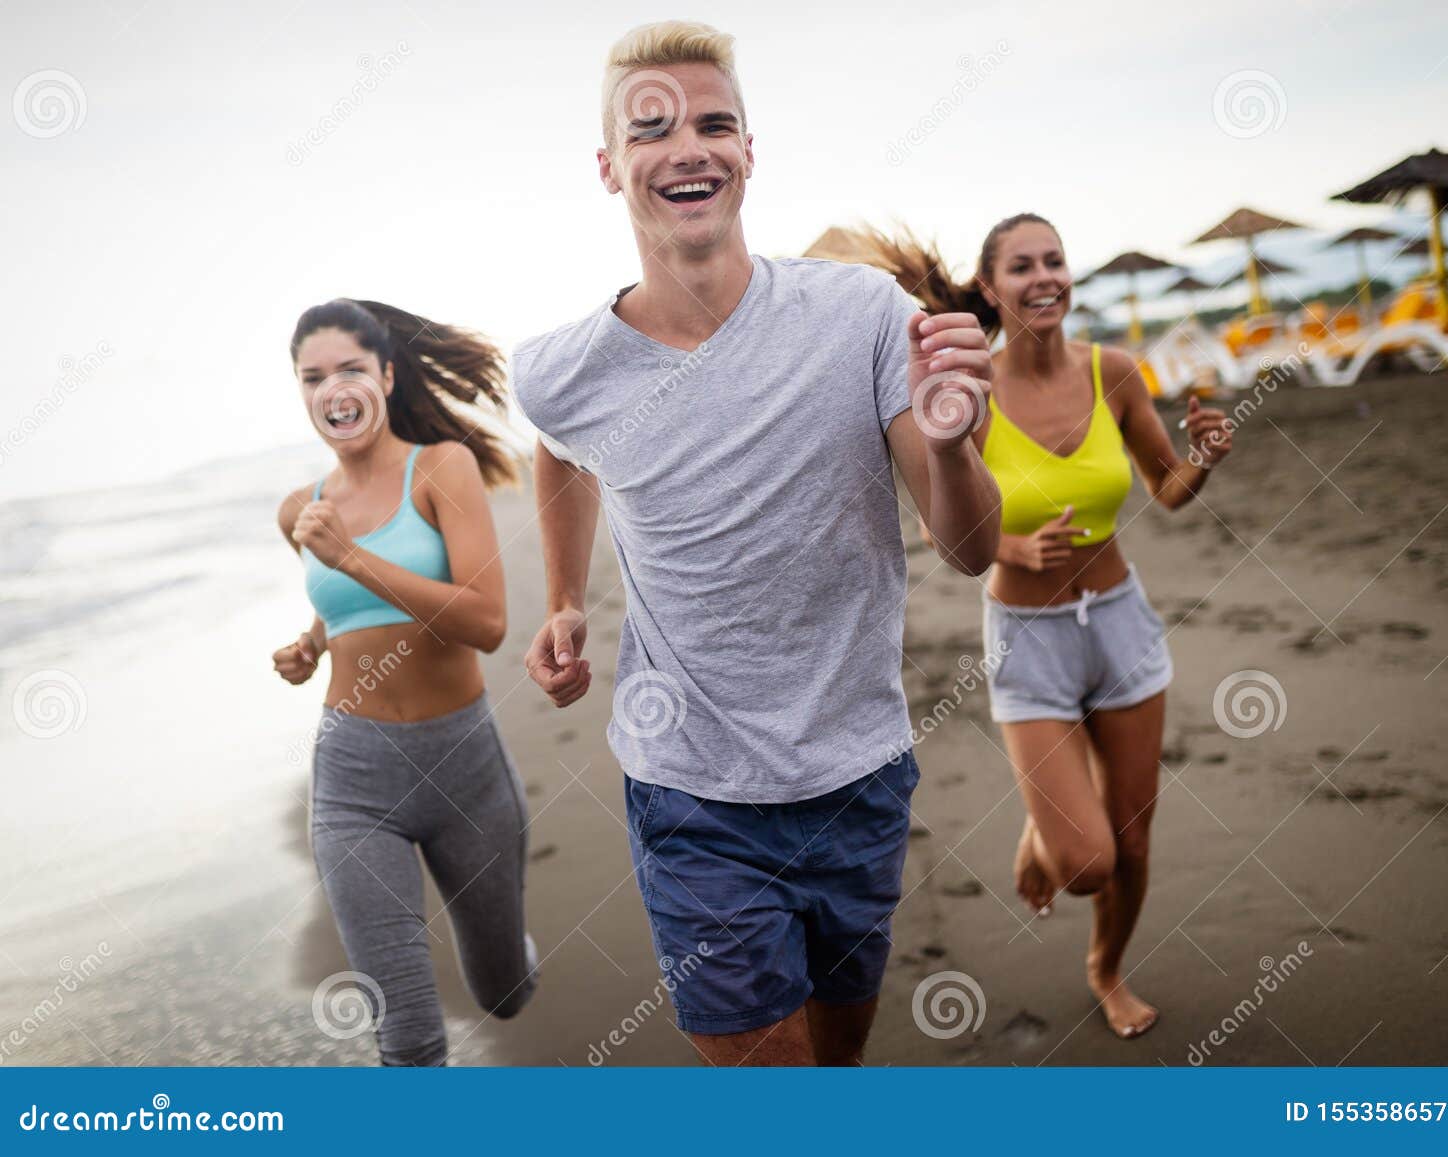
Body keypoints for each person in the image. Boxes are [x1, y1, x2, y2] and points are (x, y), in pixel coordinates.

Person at [512, 21, 1001, 1066]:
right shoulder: (563, 368)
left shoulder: (861, 314)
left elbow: (968, 549)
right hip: (690, 787)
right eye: (651, 128)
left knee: (837, 1060)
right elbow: (555, 453)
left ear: (747, 151)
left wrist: (958, 448)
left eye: (714, 122)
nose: (687, 144)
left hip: (859, 767)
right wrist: (562, 596)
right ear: (609, 166)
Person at [864, 216, 1234, 1038]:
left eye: (1055, 261)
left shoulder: (1116, 373)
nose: (1044, 277)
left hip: (1122, 628)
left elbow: (1165, 486)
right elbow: (943, 528)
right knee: (1087, 861)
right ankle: (1045, 831)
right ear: (990, 289)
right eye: (1022, 267)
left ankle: (1106, 966)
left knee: (1132, 848)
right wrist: (1014, 541)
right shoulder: (974, 389)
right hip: (1026, 637)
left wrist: (1202, 458)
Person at [275, 298, 538, 1065]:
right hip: (354, 777)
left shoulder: (442, 467)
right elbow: (349, 609)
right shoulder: (302, 509)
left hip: (465, 767)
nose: (333, 388)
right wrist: (312, 644)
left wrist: (353, 557)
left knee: (504, 992)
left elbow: (484, 619)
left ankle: (511, 954)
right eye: (312, 376)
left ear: (385, 375)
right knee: (409, 1037)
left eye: (350, 368)